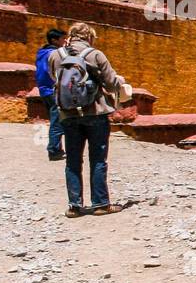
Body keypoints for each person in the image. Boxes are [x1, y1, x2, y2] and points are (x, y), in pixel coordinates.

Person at [48, 22, 131, 218]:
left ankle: (74, 206)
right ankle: (101, 204)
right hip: (95, 112)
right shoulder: (95, 55)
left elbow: (56, 79)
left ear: (70, 36)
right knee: (98, 159)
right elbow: (111, 83)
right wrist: (121, 82)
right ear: (89, 37)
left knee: (73, 160)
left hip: (68, 114)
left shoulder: (55, 55)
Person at [35, 28, 66, 161]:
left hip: (43, 90)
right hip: (53, 90)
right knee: (57, 121)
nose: (65, 41)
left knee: (54, 119)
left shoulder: (41, 53)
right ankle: (53, 150)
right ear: (54, 40)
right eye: (62, 39)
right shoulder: (54, 54)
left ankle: (58, 148)